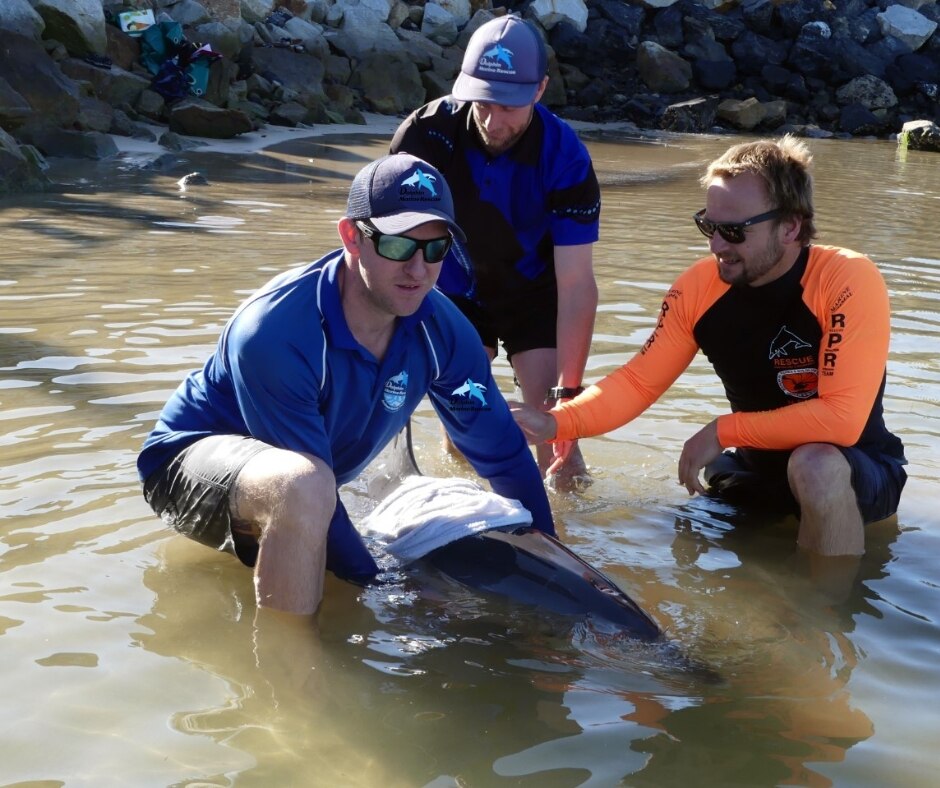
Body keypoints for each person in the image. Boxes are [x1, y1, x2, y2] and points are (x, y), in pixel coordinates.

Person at [137, 153, 554, 616]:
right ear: (351, 237)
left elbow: (503, 455)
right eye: (398, 246)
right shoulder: (276, 331)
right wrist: (386, 590)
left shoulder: (445, 330)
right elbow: (314, 494)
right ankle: (290, 679)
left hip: (308, 484)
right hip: (188, 466)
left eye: (434, 249)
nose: (418, 270)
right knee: (306, 486)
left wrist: (555, 559)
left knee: (314, 487)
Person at [511, 136, 907, 557]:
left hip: (855, 473)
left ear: (791, 226)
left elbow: (841, 421)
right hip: (755, 470)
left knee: (815, 463)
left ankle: (824, 620)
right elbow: (638, 383)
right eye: (709, 226)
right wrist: (556, 423)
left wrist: (723, 431)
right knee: (652, 540)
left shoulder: (847, 278)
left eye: (734, 231)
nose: (717, 245)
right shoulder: (698, 288)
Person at [389, 14, 600, 486]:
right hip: (455, 288)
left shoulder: (565, 156)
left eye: (509, 105)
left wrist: (570, 394)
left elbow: (576, 282)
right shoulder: (426, 135)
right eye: (482, 100)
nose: (492, 118)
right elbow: (386, 246)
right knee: (465, 422)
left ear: (540, 89)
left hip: (533, 290)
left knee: (555, 431)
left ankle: (574, 534)